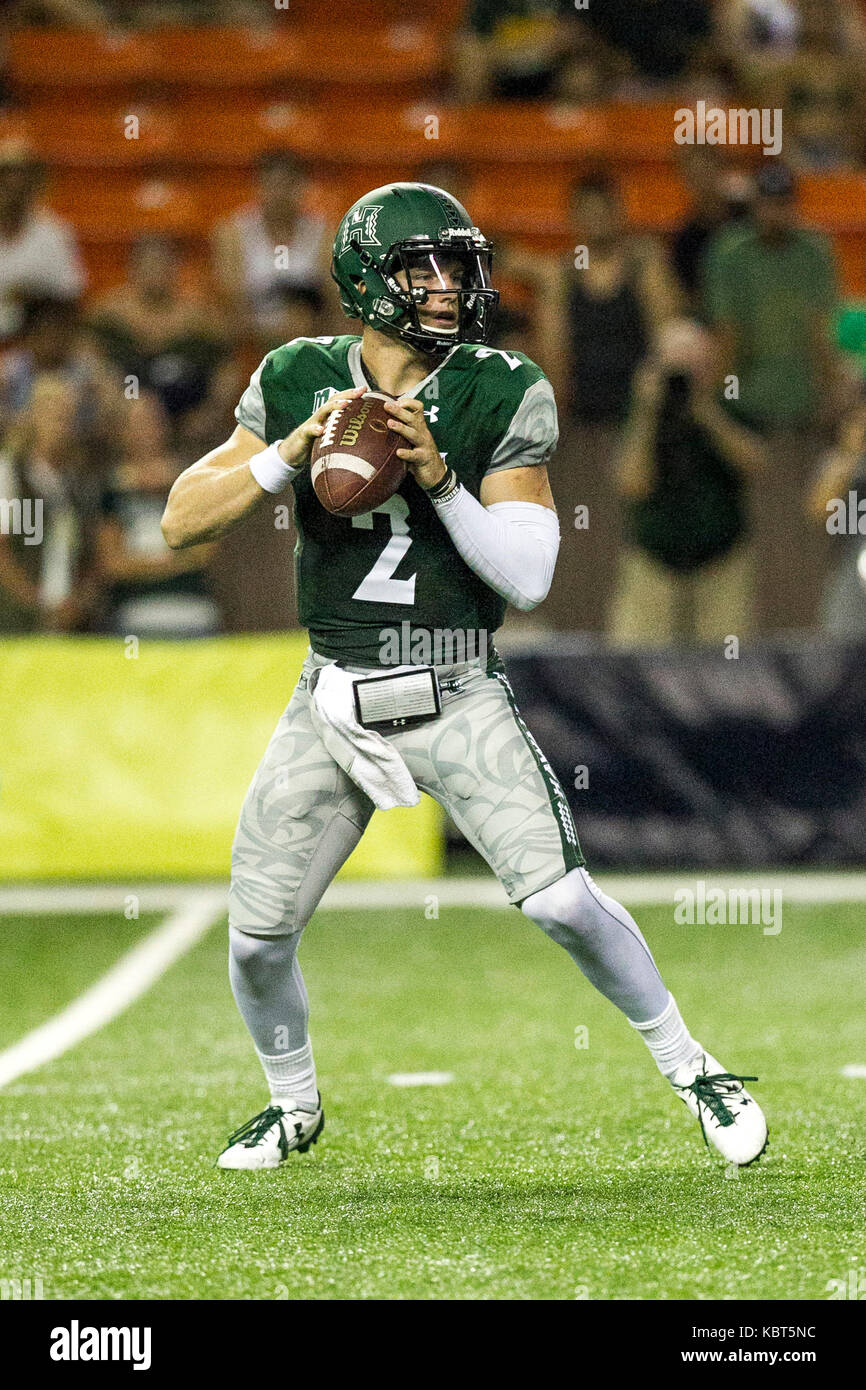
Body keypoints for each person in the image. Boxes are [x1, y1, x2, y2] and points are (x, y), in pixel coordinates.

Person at [162, 181, 768, 1173]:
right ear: (366, 277)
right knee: (256, 938)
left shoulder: (498, 385)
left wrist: (439, 476)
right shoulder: (296, 375)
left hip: (453, 685)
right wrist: (284, 456)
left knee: (562, 901)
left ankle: (693, 1065)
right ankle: (292, 1103)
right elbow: (180, 520)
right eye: (420, 268)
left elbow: (527, 574)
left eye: (455, 266)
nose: (445, 287)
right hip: (332, 694)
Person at [704, 159, 843, 630]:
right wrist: (714, 402)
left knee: (809, 528)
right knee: (756, 536)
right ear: (754, 205)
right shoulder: (731, 252)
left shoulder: (814, 251)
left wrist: (833, 398)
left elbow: (820, 331)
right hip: (749, 415)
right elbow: (728, 335)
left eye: (783, 204)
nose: (774, 213)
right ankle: (754, 632)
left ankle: (804, 627)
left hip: (804, 413)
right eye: (767, 203)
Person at [609, 318, 765, 641]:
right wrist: (646, 411)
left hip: (722, 565)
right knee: (637, 672)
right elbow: (631, 484)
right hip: (653, 563)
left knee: (727, 673)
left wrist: (706, 411)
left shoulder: (729, 402)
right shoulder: (642, 413)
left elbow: (755, 464)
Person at [86, 234, 237, 456]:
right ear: (132, 269)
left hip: (189, 419)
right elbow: (89, 360)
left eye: (162, 264)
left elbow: (228, 367)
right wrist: (113, 405)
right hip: (129, 412)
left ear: (175, 268)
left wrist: (211, 412)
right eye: (148, 265)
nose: (155, 272)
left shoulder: (200, 319)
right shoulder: (109, 315)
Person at [96, 392, 219, 638]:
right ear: (123, 431)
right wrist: (172, 562)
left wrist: (140, 563)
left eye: (153, 420)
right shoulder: (112, 490)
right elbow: (111, 564)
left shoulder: (191, 479)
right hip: (134, 611)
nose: (147, 429)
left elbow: (204, 553)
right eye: (138, 422)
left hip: (192, 607)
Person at [0, 372, 100, 632]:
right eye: (52, 413)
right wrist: (37, 603)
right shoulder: (9, 473)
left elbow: (91, 553)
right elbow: (2, 554)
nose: (61, 423)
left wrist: (78, 602)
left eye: (67, 416)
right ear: (32, 417)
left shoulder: (78, 481)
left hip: (73, 620)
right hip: (16, 622)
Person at [211, 150, 330, 351]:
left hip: (309, 334)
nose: (280, 194)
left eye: (287, 185)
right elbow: (229, 297)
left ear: (301, 187)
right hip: (250, 337)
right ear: (258, 187)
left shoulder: (323, 234)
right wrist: (270, 330)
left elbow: (332, 297)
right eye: (273, 185)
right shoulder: (232, 233)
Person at [0, 138, 86, 345]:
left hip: (36, 346)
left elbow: (71, 297)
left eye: (21, 177)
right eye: (6, 178)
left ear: (33, 184)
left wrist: (32, 296)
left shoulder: (55, 234)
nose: (13, 187)